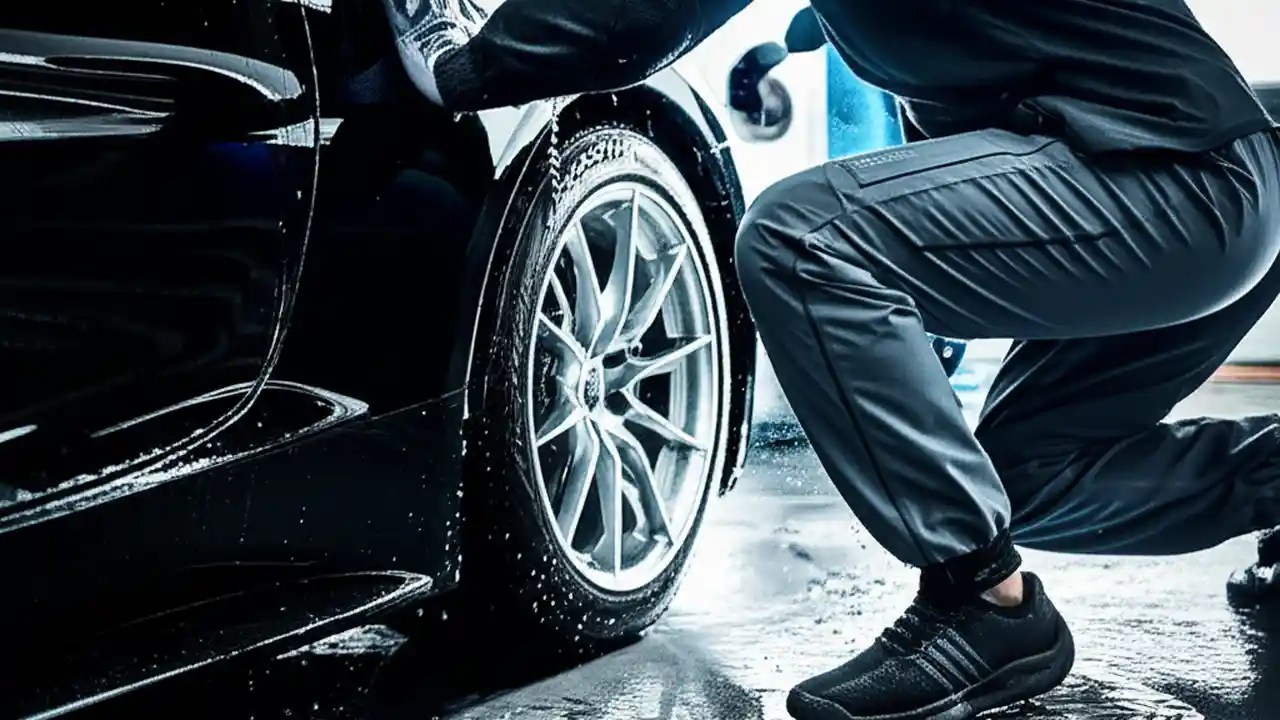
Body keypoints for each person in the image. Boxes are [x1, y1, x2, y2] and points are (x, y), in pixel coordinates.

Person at [381, 1, 1280, 718]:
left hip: (1170, 176)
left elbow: (639, 12)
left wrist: (462, 64)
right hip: (1209, 177)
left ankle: (984, 605)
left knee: (801, 241)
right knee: (1020, 484)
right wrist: (790, 45)